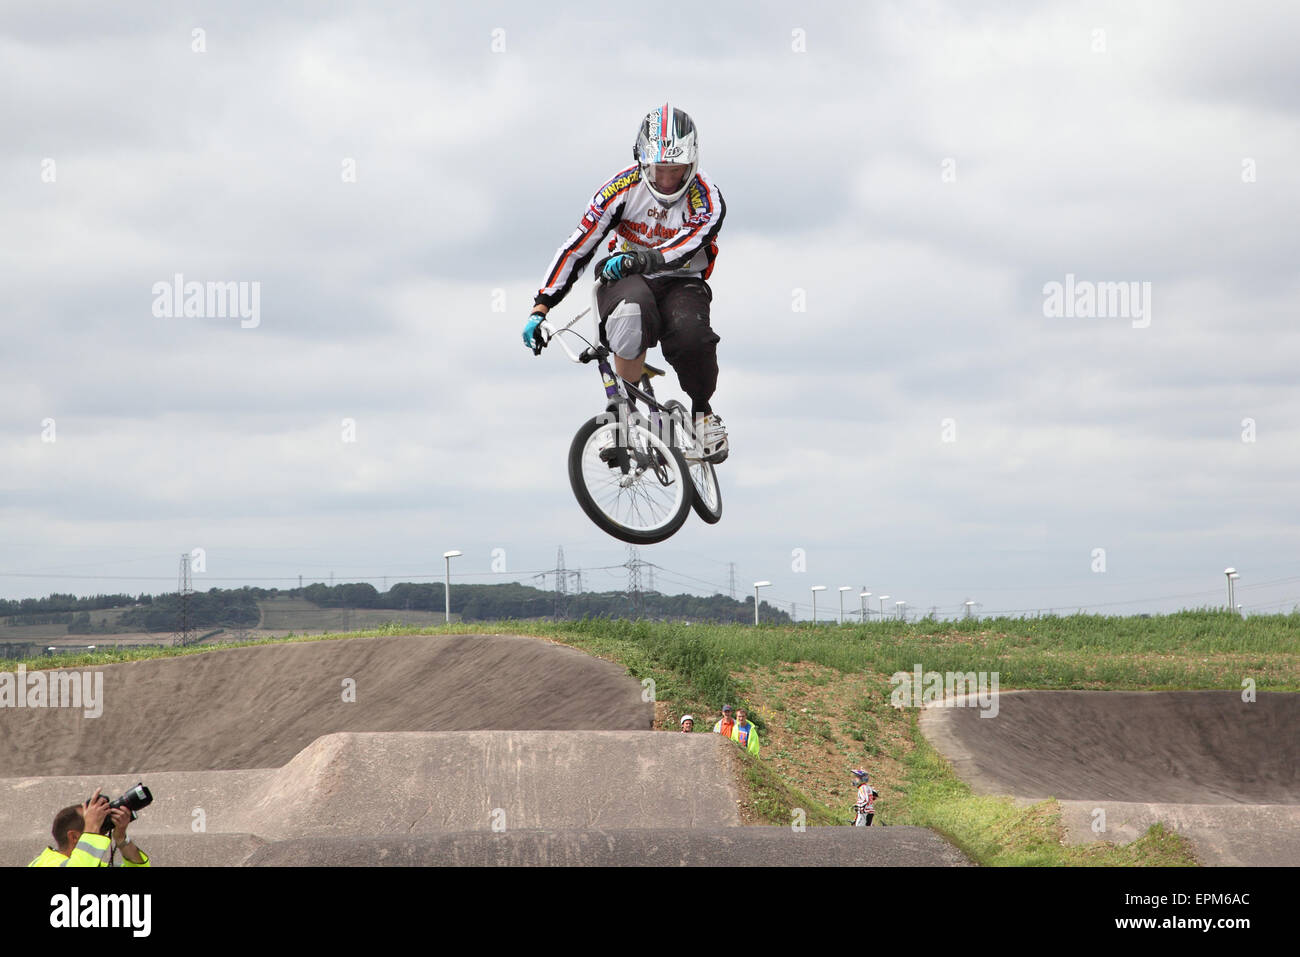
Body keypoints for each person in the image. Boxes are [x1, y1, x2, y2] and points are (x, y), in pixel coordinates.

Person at [524, 102, 730, 463]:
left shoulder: (706, 197)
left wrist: (645, 256)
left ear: (692, 162)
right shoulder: (619, 189)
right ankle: (621, 415)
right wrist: (542, 305)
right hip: (628, 277)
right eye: (658, 169)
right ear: (643, 161)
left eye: (676, 169)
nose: (667, 180)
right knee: (629, 313)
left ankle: (702, 413)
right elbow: (577, 247)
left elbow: (690, 243)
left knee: (691, 336)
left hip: (682, 279)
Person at [29, 789, 151, 867]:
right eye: (97, 826)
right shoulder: (46, 863)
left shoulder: (90, 863)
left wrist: (121, 839)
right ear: (74, 837)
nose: (102, 834)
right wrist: (92, 828)